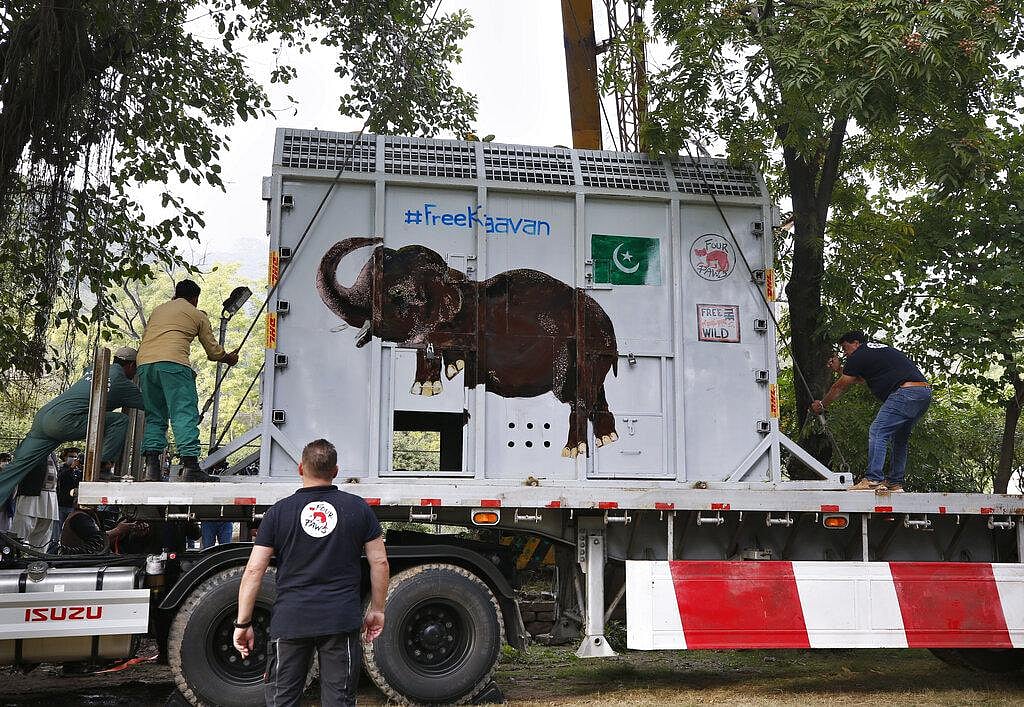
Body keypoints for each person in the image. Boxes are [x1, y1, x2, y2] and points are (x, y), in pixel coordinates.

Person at [233, 439, 389, 707]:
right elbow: (380, 563)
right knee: (338, 701)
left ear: (300, 468)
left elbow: (254, 570)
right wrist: (377, 609)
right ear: (336, 471)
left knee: (283, 700)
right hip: (340, 620)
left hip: (291, 620)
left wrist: (243, 623)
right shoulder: (358, 508)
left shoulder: (278, 512)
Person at [0, 347, 144, 506]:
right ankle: (103, 466)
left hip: (43, 417)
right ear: (131, 366)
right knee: (120, 420)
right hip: (64, 421)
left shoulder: (94, 369)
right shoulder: (124, 384)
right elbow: (152, 406)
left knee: (14, 470)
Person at [137, 279, 239, 483]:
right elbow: (213, 351)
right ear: (195, 298)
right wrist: (229, 358)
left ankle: (151, 470)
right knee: (183, 413)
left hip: (145, 365)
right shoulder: (196, 314)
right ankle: (190, 466)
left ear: (176, 294)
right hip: (174, 364)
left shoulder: (158, 310)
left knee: (155, 416)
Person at [812, 331, 932, 493]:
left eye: (846, 348)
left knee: (878, 431)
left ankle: (873, 479)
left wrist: (822, 404)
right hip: (922, 393)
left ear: (856, 343)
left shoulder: (858, 355)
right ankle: (895, 483)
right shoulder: (874, 351)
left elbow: (839, 386)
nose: (845, 353)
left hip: (905, 393)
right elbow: (860, 379)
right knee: (899, 438)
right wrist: (839, 369)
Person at [11, 453, 59, 551]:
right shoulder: (33, 447)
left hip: (50, 494)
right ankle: (15, 552)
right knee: (24, 523)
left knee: (45, 527)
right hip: (30, 491)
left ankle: (37, 555)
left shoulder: (53, 454)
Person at [56, 447, 82, 536]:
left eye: (75, 457)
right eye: (71, 456)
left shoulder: (78, 472)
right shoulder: (61, 468)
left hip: (72, 505)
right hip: (61, 505)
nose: (74, 459)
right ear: (65, 457)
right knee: (57, 532)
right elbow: (61, 478)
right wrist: (71, 468)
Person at [0, 453, 12, 532]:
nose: (6, 462)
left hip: (6, 506)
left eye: (8, 460)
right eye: (4, 460)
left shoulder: (11, 474)